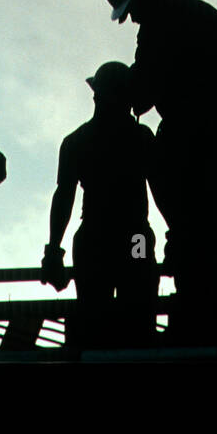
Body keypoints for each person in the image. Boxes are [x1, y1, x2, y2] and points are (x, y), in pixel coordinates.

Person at [103, 0, 217, 345]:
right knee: (210, 242)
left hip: (189, 145)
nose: (135, 19)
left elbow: (143, 93)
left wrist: (125, 88)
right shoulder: (207, 15)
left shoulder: (160, 27)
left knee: (192, 238)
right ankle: (205, 325)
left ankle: (194, 328)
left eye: (133, 9)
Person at [41, 61, 158, 348]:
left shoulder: (76, 142)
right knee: (138, 331)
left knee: (96, 332)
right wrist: (178, 235)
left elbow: (64, 198)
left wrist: (54, 251)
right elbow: (162, 191)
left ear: (97, 96)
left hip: (94, 240)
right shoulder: (141, 139)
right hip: (135, 238)